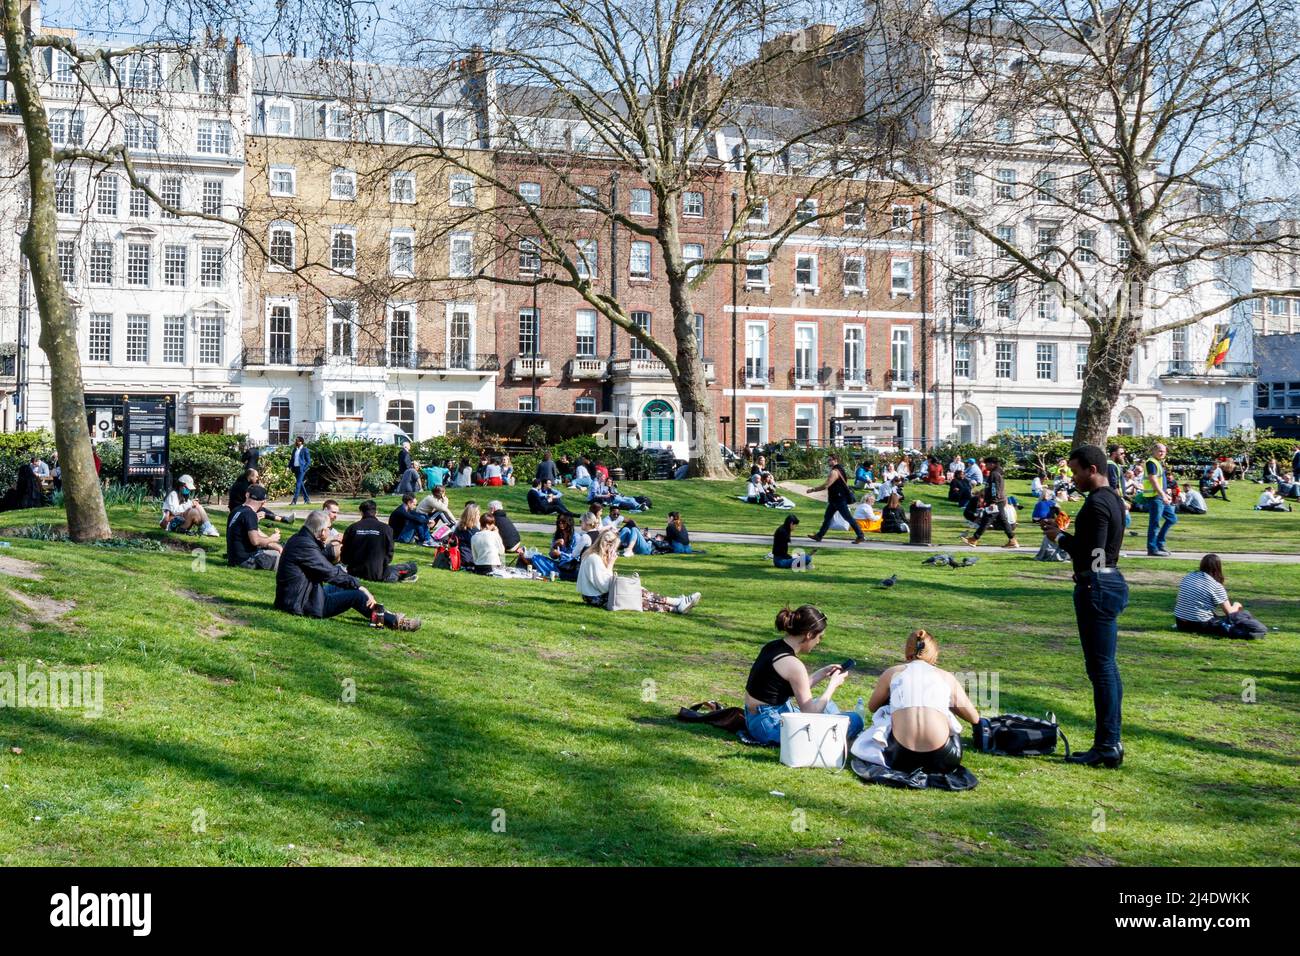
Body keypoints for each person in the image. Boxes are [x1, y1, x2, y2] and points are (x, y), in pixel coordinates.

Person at [1042, 444, 1129, 768]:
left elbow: (1094, 553)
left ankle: (1107, 744)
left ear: (1092, 469)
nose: (1073, 478)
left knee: (1102, 669)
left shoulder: (1096, 504)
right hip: (1109, 581)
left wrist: (1060, 538)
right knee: (1106, 667)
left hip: (1097, 585)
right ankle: (1109, 741)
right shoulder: (1114, 499)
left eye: (1076, 471)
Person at [853, 629, 980, 772]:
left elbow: (872, 706)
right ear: (934, 653)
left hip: (899, 755)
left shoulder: (893, 673)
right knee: (947, 713)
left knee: (888, 709)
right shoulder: (946, 677)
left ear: (907, 650)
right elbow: (974, 718)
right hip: (943, 757)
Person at [275, 510, 421, 631]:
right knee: (356, 595)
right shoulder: (304, 546)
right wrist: (360, 586)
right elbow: (330, 572)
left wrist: (331, 548)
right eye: (329, 528)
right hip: (301, 604)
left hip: (301, 595)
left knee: (338, 586)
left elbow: (319, 562)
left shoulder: (300, 539)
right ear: (322, 531)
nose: (330, 531)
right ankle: (395, 622)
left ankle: (385, 613)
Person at [742, 605, 863, 745]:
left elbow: (792, 687)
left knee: (828, 705)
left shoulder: (773, 646)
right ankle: (833, 733)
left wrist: (822, 673)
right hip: (770, 726)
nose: (818, 642)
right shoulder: (794, 664)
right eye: (819, 637)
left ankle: (831, 726)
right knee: (855, 720)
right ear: (809, 635)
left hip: (757, 718)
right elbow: (811, 713)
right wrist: (832, 685)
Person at [576, 528, 700, 612]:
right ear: (607, 545)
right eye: (614, 547)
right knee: (635, 596)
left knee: (637, 593)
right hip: (596, 598)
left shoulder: (593, 556)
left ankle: (676, 605)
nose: (614, 551)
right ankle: (677, 603)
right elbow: (605, 586)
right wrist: (610, 565)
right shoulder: (594, 559)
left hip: (595, 596)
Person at [1173, 554, 1268, 639]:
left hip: (1181, 623)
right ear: (1218, 568)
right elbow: (1230, 613)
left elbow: (1178, 600)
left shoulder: (1189, 576)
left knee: (1227, 617)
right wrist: (1236, 605)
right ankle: (1253, 632)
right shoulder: (1215, 586)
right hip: (1200, 624)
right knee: (1243, 614)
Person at [340, 500, 418, 583]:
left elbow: (345, 555)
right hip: (378, 572)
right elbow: (389, 553)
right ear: (376, 512)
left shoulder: (352, 528)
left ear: (361, 512)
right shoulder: (386, 529)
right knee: (411, 567)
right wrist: (381, 564)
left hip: (354, 572)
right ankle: (401, 575)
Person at [808, 453, 864, 544]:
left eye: (830, 460)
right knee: (827, 518)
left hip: (839, 499)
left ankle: (860, 535)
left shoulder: (835, 471)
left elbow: (826, 485)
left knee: (848, 518)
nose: (828, 461)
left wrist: (813, 489)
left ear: (835, 460)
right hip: (834, 499)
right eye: (828, 460)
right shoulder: (840, 469)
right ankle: (819, 536)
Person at [961, 456, 1017, 548]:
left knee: (986, 520)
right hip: (999, 501)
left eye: (986, 464)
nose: (985, 466)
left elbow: (995, 488)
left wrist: (993, 502)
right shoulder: (996, 473)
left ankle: (974, 539)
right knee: (1003, 521)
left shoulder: (994, 474)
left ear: (992, 464)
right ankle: (1012, 540)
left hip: (995, 501)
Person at [226, 486, 283, 570]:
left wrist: (274, 545)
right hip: (246, 560)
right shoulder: (250, 513)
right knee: (282, 557)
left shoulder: (237, 510)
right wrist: (272, 538)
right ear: (263, 502)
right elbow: (255, 541)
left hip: (234, 559)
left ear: (247, 495)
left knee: (279, 550)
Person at [1143, 442, 1177, 556]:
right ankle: (1152, 549)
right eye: (1160, 451)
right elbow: (1153, 480)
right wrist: (1162, 495)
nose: (1162, 453)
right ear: (1154, 451)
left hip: (1160, 497)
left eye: (1164, 451)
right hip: (1155, 497)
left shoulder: (1157, 462)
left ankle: (1159, 543)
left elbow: (1159, 480)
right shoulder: (1151, 462)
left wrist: (1165, 493)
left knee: (1172, 519)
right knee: (1155, 523)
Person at [550, 514, 583, 581]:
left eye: (563, 522)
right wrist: (555, 545)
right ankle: (556, 572)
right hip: (559, 564)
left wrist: (560, 554)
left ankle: (557, 573)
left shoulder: (576, 537)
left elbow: (574, 556)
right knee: (536, 557)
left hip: (571, 565)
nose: (560, 524)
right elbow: (551, 555)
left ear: (569, 523)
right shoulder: (557, 535)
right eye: (559, 522)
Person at [454, 501, 481, 569]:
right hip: (469, 560)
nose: (479, 517)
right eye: (478, 514)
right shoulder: (473, 531)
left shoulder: (459, 528)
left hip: (460, 558)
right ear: (473, 516)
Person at [289, 437, 311, 505]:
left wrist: (304, 469)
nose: (296, 442)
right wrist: (288, 467)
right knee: (301, 484)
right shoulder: (295, 450)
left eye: (297, 441)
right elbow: (292, 460)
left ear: (301, 442)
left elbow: (308, 461)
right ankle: (307, 500)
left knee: (298, 484)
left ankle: (294, 501)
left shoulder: (305, 450)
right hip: (295, 468)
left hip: (302, 469)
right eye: (296, 441)